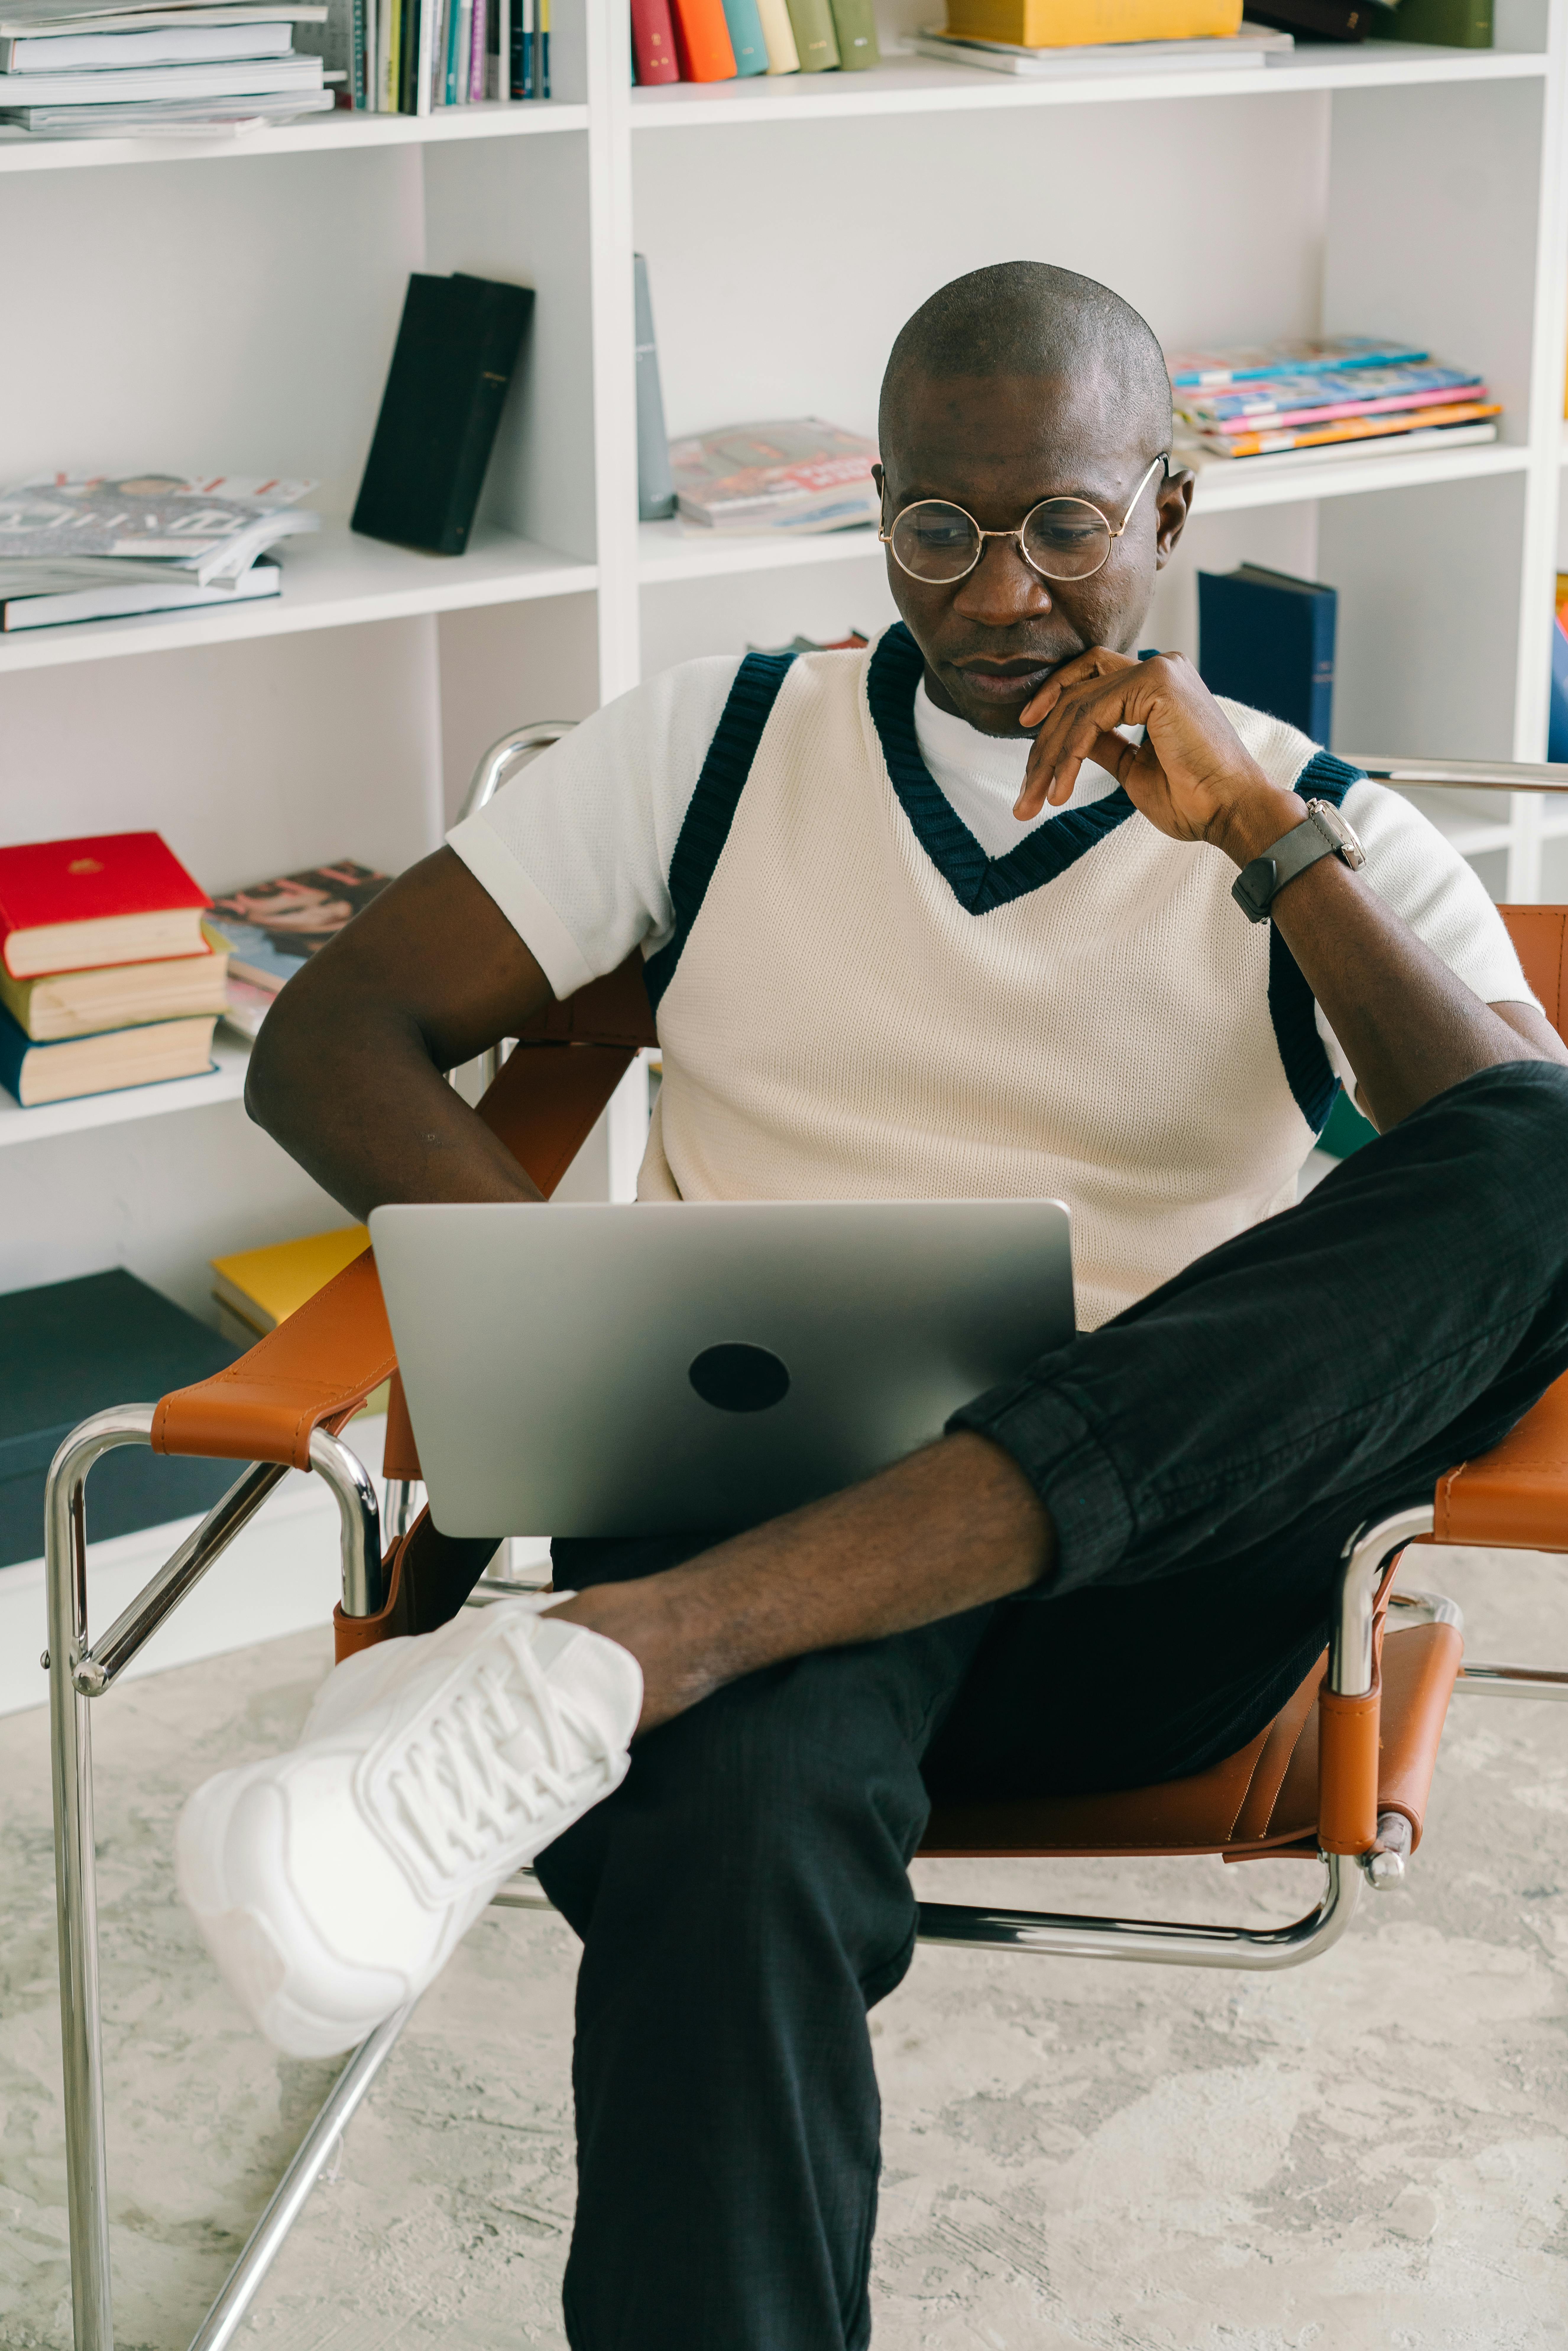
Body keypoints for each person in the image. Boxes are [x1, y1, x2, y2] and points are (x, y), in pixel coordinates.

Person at [176, 263, 1568, 2351]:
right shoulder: (716, 743)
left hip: (1138, 1599)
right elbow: (335, 1042)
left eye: (1065, 529)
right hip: (742, 1471)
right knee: (730, 1830)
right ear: (881, 517)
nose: (999, 596)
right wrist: (601, 1308)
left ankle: (588, 1668)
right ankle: (646, 1655)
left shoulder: (1325, 815)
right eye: (939, 526)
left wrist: (1262, 846)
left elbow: (1508, 1175)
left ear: (1169, 516)